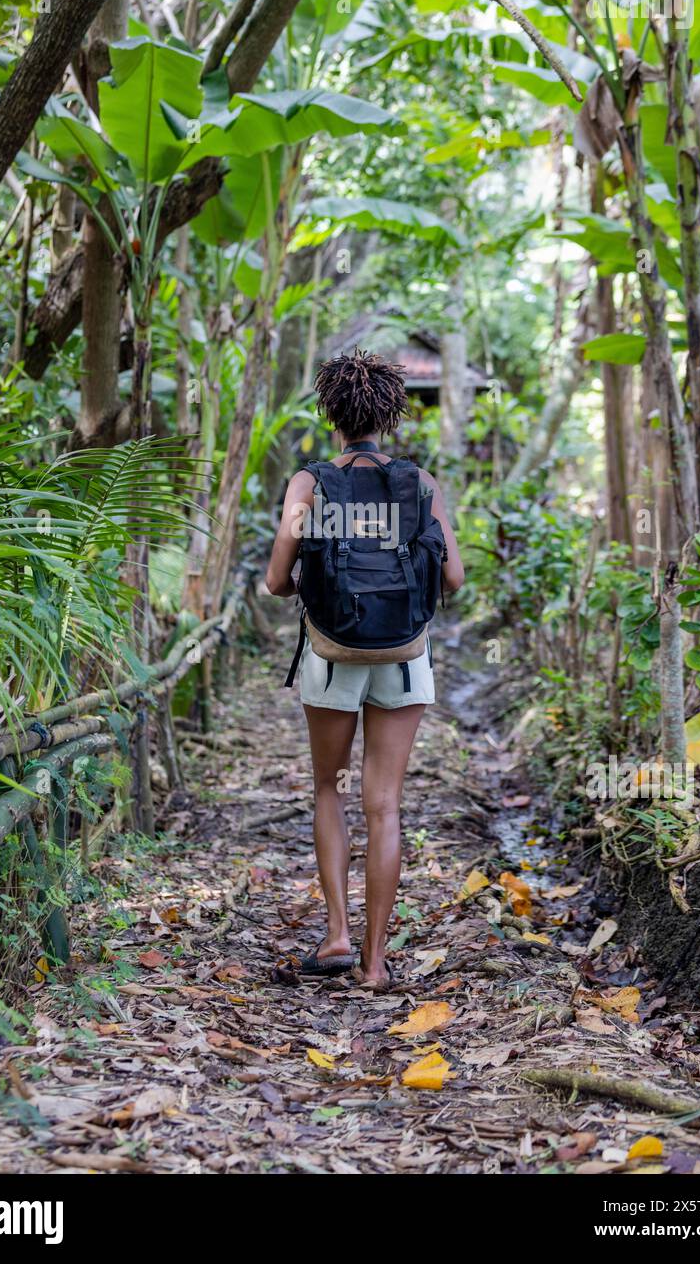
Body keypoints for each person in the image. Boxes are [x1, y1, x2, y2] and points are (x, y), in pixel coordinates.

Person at [265, 351, 465, 991]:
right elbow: (455, 578)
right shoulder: (421, 483)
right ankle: (376, 966)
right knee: (384, 805)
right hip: (405, 656)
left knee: (331, 787)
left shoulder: (310, 484)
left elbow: (274, 581)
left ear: (331, 416)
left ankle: (337, 936)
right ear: (391, 415)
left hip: (331, 652)